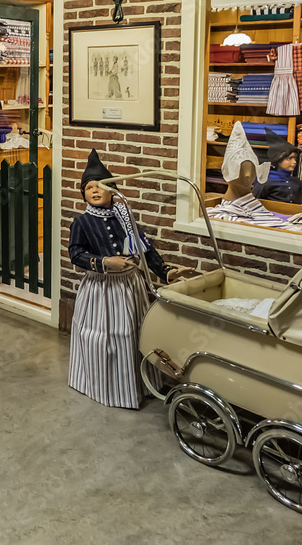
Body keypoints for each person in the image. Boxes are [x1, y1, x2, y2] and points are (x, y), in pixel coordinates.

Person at [67, 149, 187, 409]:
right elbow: (75, 254)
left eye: (100, 185)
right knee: (100, 336)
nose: (95, 190)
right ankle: (101, 385)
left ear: (113, 191)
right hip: (101, 289)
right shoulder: (82, 222)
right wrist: (105, 262)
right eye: (88, 188)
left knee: (131, 333)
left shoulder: (125, 218)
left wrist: (165, 271)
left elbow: (145, 250)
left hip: (130, 286)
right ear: (83, 194)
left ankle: (135, 384)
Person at [254, 127, 302, 204]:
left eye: (295, 158)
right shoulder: (266, 181)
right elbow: (255, 200)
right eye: (289, 159)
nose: (294, 162)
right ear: (278, 160)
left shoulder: (294, 182)